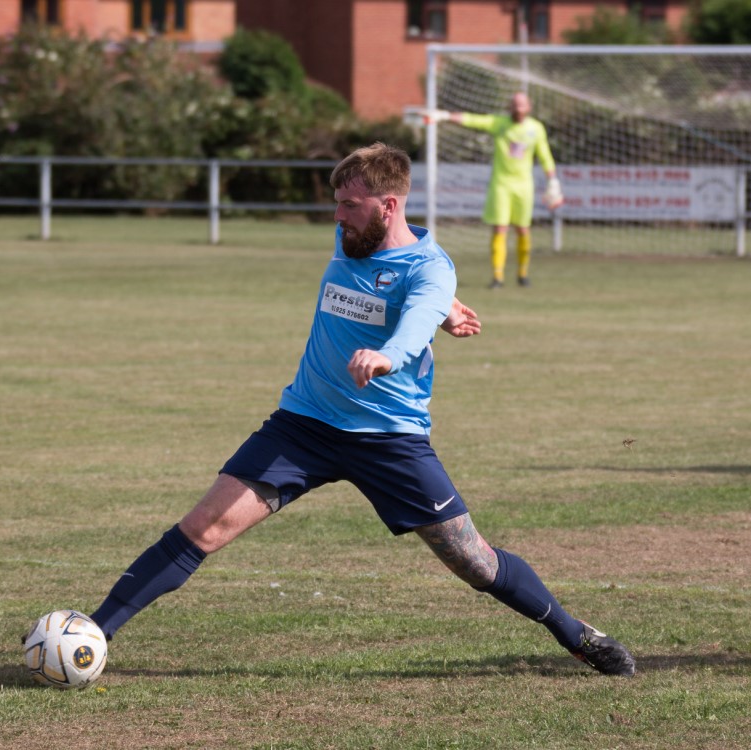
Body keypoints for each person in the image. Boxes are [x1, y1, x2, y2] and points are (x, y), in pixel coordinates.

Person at [87, 143, 634, 677]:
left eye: (349, 205)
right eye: (337, 203)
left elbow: (415, 318)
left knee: (475, 562)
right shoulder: (350, 239)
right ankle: (91, 633)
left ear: (388, 206)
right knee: (202, 527)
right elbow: (396, 293)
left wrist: (391, 353)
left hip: (389, 439)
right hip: (303, 426)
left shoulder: (432, 271)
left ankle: (575, 634)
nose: (337, 215)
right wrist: (443, 313)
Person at [426, 92, 563, 289]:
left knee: (523, 229)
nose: (518, 108)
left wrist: (553, 180)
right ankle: (497, 277)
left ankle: (523, 274)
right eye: (515, 105)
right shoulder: (500, 123)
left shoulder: (536, 128)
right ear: (509, 107)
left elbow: (545, 156)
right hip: (501, 184)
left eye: (522, 105)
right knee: (500, 228)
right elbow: (473, 120)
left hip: (524, 186)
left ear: (529, 107)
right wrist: (445, 116)